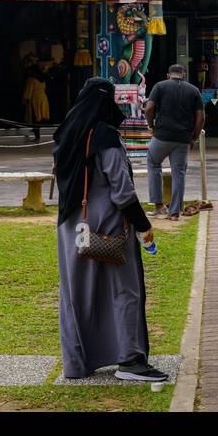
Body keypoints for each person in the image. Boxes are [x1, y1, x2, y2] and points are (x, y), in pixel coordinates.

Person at [54, 78, 167, 383]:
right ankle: (129, 359)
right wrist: (144, 227)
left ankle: (77, 363)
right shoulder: (105, 137)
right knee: (124, 290)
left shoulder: (67, 133)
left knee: (77, 295)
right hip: (108, 228)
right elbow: (122, 190)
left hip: (71, 229)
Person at [143, 63, 204, 221]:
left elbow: (149, 108)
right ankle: (174, 213)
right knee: (179, 174)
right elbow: (201, 117)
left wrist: (151, 125)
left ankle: (159, 206)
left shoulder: (160, 86)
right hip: (182, 139)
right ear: (184, 75)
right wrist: (194, 138)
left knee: (153, 164)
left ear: (168, 75)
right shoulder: (193, 90)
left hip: (161, 136)